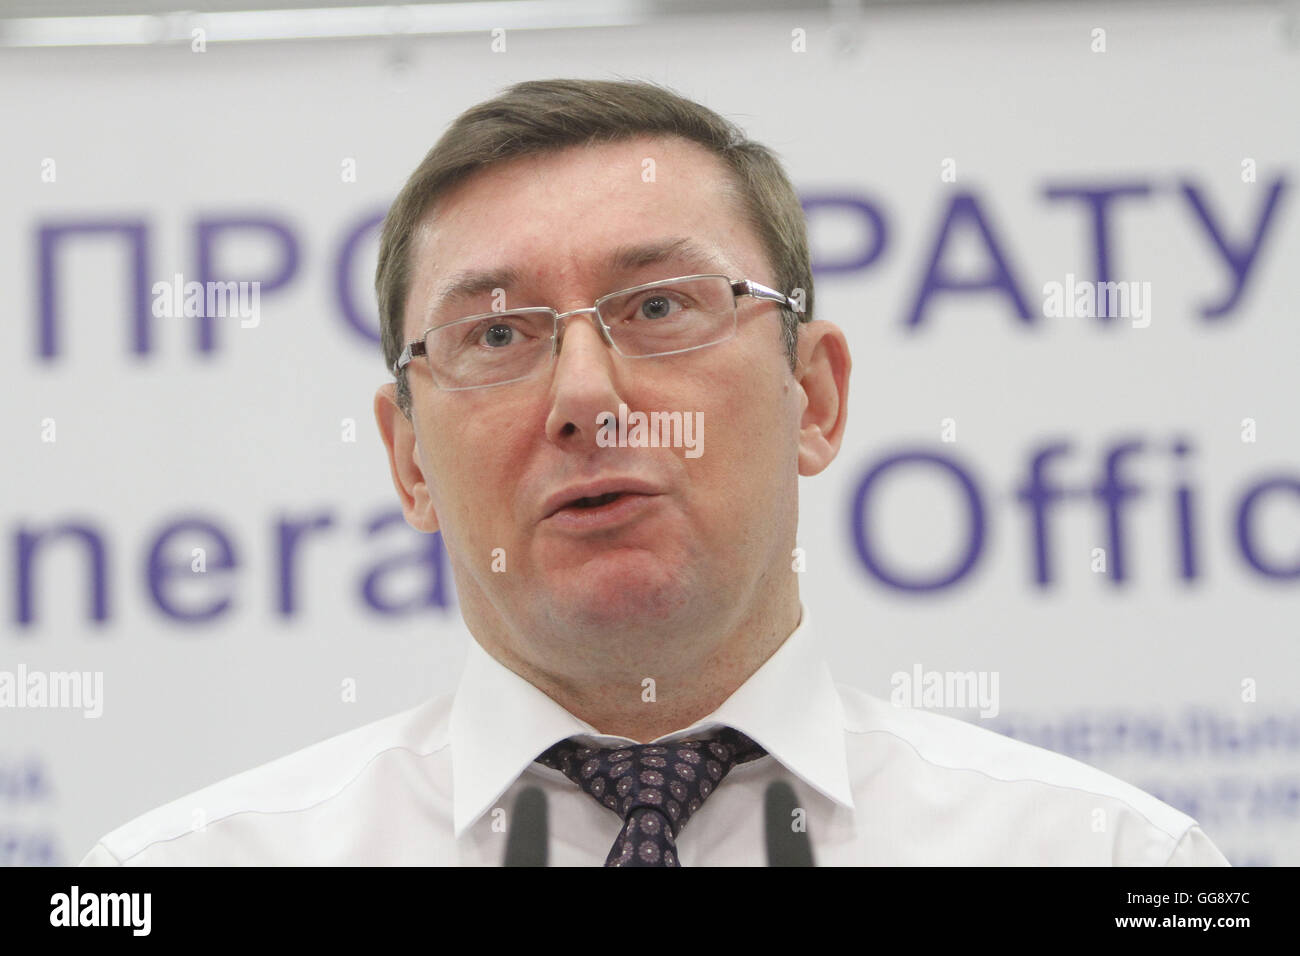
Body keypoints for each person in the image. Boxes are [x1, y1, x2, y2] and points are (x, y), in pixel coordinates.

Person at [81, 77, 1228, 866]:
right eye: (495, 334)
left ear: (813, 398)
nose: (584, 398)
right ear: (409, 458)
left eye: (660, 307)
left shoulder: (1113, 859)